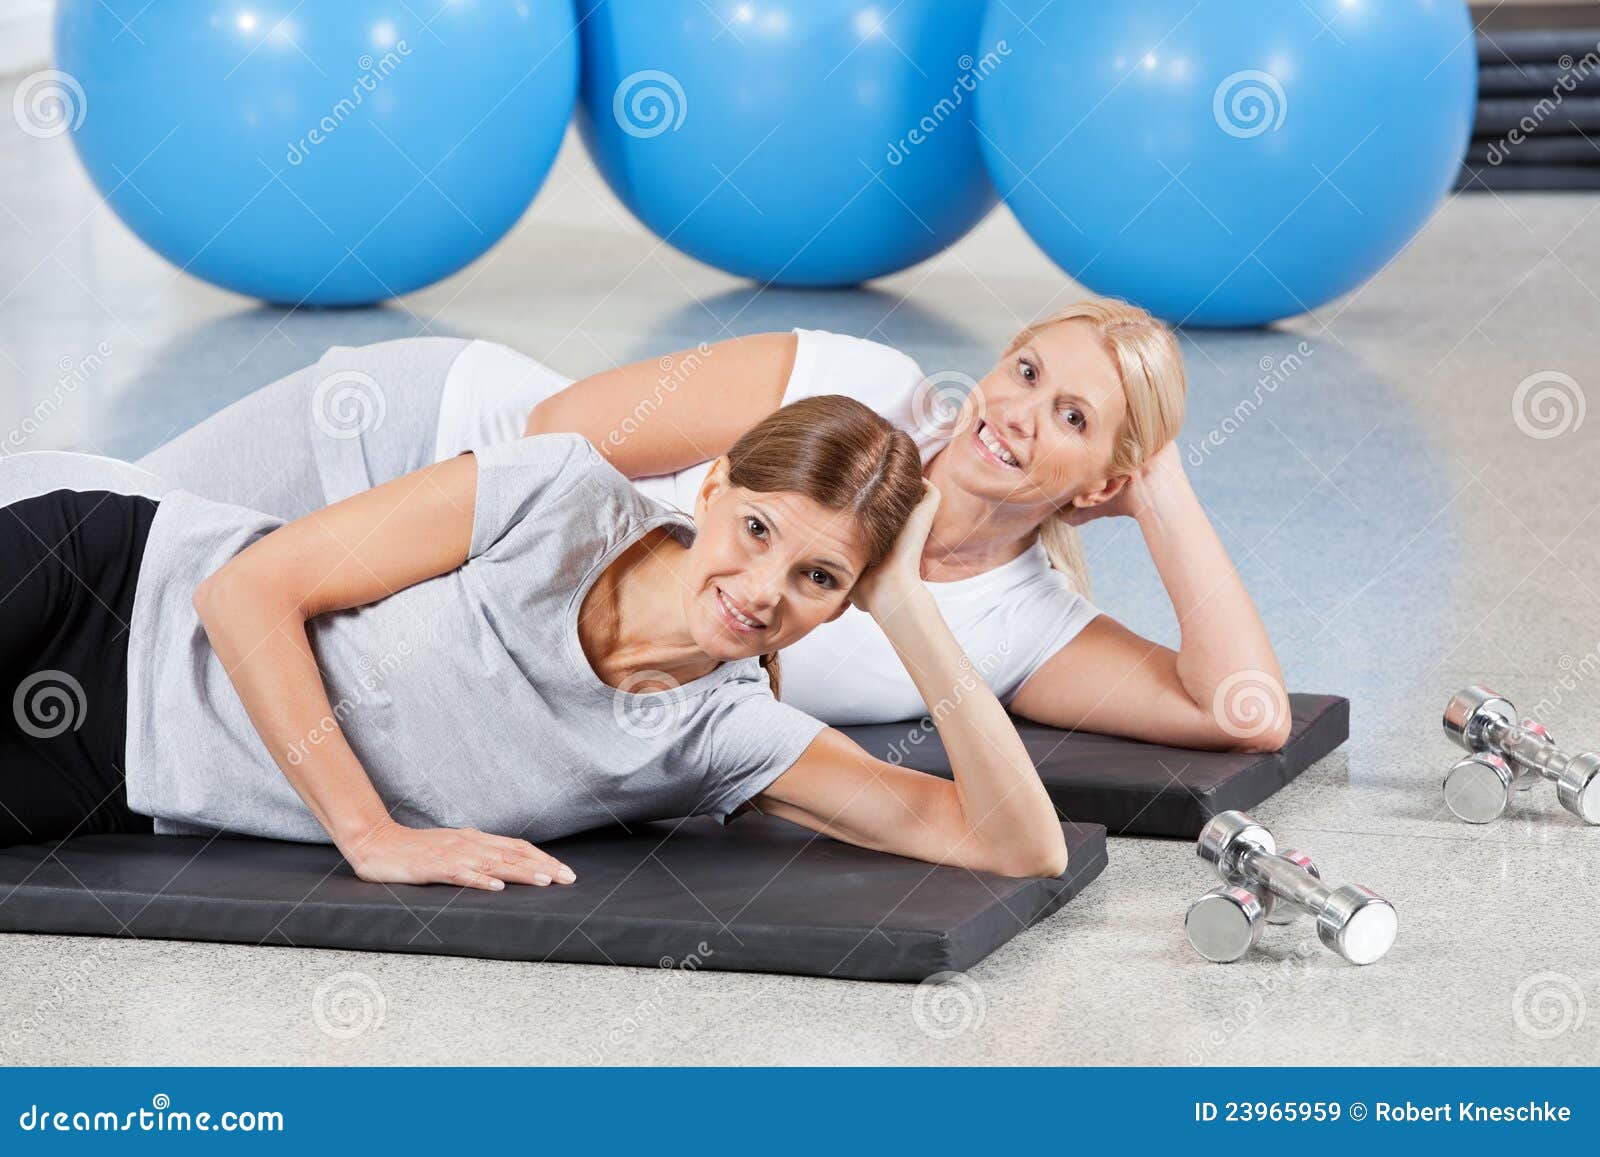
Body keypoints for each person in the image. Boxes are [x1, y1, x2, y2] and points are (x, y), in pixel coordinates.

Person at [0, 396, 1070, 888]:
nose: (762, 591)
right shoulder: (557, 494)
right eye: (756, 530)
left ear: (847, 601)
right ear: (713, 488)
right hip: (108, 585)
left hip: (119, 777)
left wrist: (908, 607)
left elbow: (1015, 845)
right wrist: (372, 835)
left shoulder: (719, 735)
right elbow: (244, 592)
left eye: (819, 578)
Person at [137, 298, 1290, 751]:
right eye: (1027, 370)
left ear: (1098, 484)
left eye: (1072, 416)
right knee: (95, 535)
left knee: (129, 642)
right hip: (413, 440)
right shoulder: (858, 384)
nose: (1017, 412)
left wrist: (1165, 492)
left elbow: (1241, 713)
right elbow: (555, 431)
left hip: (448, 610)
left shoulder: (1019, 623)